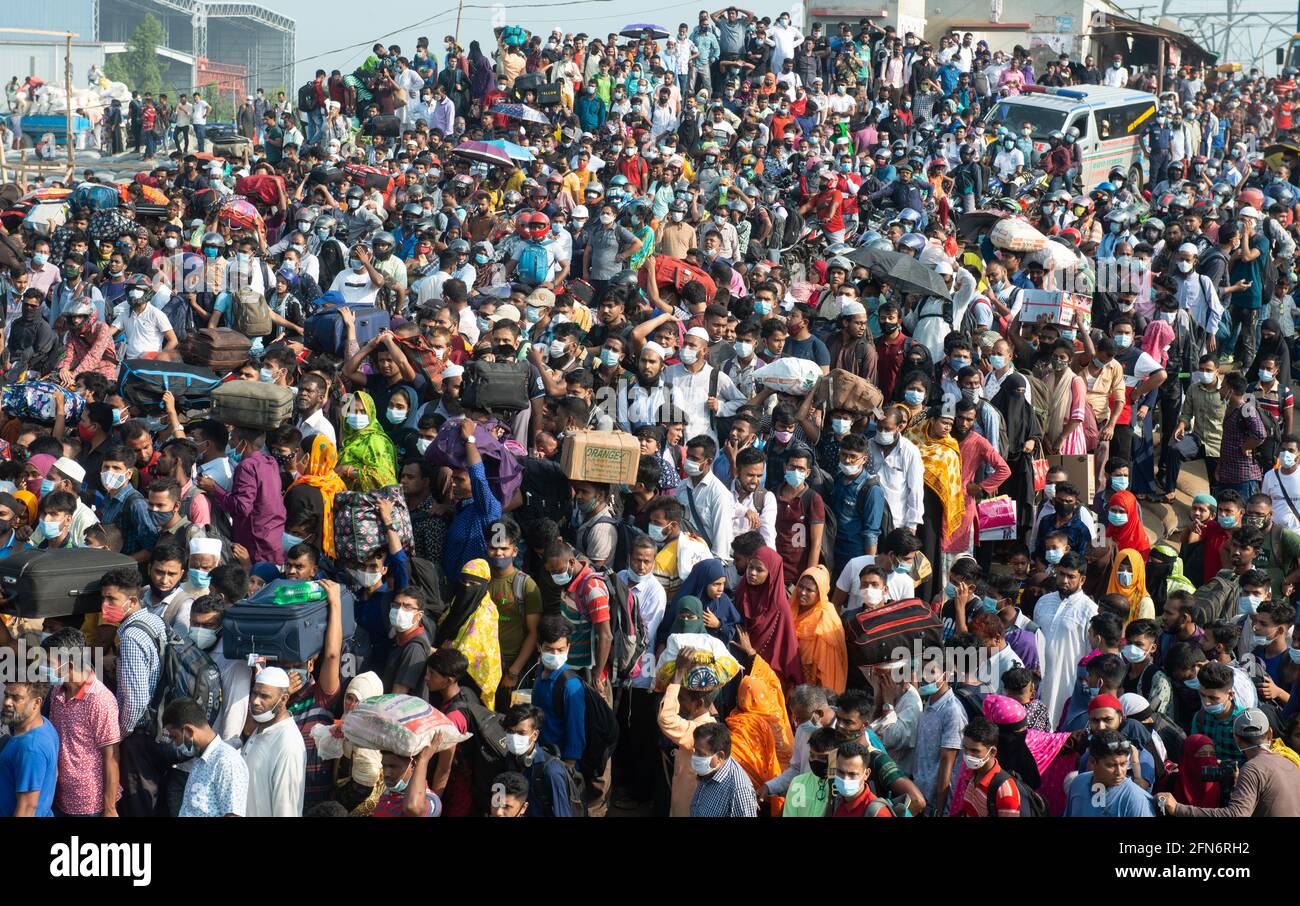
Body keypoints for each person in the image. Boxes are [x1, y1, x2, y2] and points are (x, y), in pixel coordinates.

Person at [1157, 708, 1300, 817]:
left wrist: (1177, 808)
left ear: (1236, 739)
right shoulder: (1290, 761)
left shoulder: (1253, 768)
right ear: (1269, 733)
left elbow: (1236, 815)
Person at [43, 628, 120, 817]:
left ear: (68, 665)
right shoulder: (57, 691)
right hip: (59, 796)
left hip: (88, 804)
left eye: (48, 663)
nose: (44, 667)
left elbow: (111, 756)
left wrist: (110, 809)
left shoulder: (100, 700)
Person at [234, 666, 306, 817]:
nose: (255, 701)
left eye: (264, 696)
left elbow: (286, 811)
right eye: (254, 693)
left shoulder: (288, 745)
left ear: (284, 699)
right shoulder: (261, 726)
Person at [162, 698, 248, 817]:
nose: (175, 745)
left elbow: (233, 814)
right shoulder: (200, 758)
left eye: (175, 737)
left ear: (188, 730)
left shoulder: (226, 761)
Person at [1065, 729, 1157, 816]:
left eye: (1123, 764)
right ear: (1093, 762)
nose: (1119, 772)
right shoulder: (1078, 784)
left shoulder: (1136, 800)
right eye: (1111, 765)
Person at [689, 722, 759, 817]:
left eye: (701, 754)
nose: (695, 757)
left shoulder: (738, 790)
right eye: (695, 751)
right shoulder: (709, 771)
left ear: (720, 756)